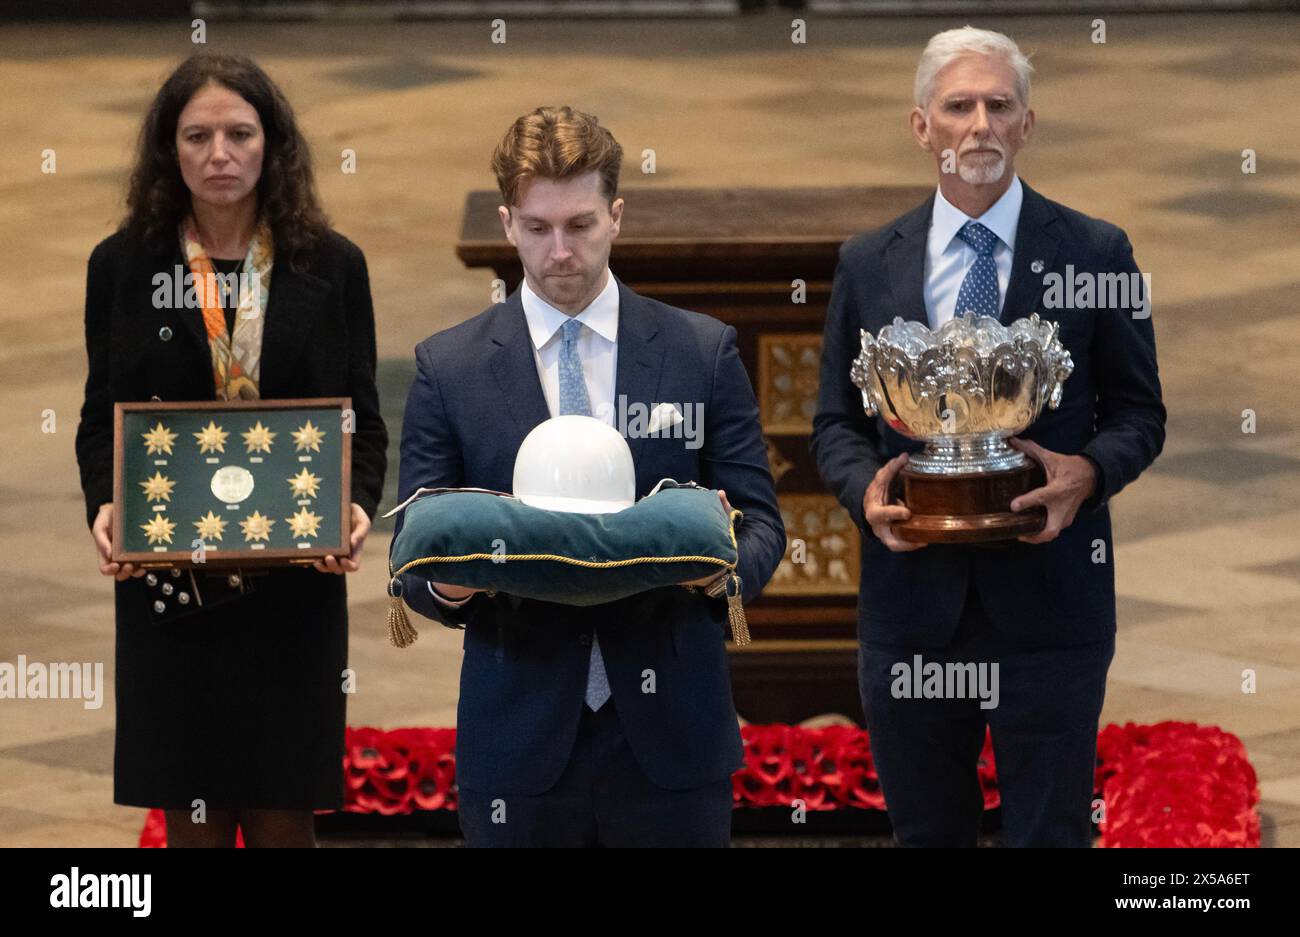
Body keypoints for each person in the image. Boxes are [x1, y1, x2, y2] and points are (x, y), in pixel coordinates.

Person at [811, 27, 1165, 847]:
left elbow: (1141, 414)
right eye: (958, 106)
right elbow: (834, 420)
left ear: (1027, 124)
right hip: (911, 606)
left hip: (1051, 604)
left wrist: (1089, 472)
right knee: (927, 832)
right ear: (921, 126)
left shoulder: (1096, 251)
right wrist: (864, 494)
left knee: (1049, 832)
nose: (980, 125)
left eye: (999, 106)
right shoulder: (868, 262)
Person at [394, 106, 785, 847]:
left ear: (617, 215)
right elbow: (415, 557)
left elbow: (764, 529)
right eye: (538, 228)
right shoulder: (449, 367)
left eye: (580, 224)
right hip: (519, 740)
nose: (559, 251)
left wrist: (716, 565)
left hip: (673, 736)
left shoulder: (699, 351)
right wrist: (452, 579)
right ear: (508, 224)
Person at [75, 53, 388, 847]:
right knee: (195, 822)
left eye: (240, 133)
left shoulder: (332, 265)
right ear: (168, 150)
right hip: (172, 591)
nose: (220, 153)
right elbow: (98, 415)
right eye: (198, 135)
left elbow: (367, 423)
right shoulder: (123, 266)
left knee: (284, 819)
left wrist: (354, 508)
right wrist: (107, 505)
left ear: (271, 146)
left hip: (292, 592)